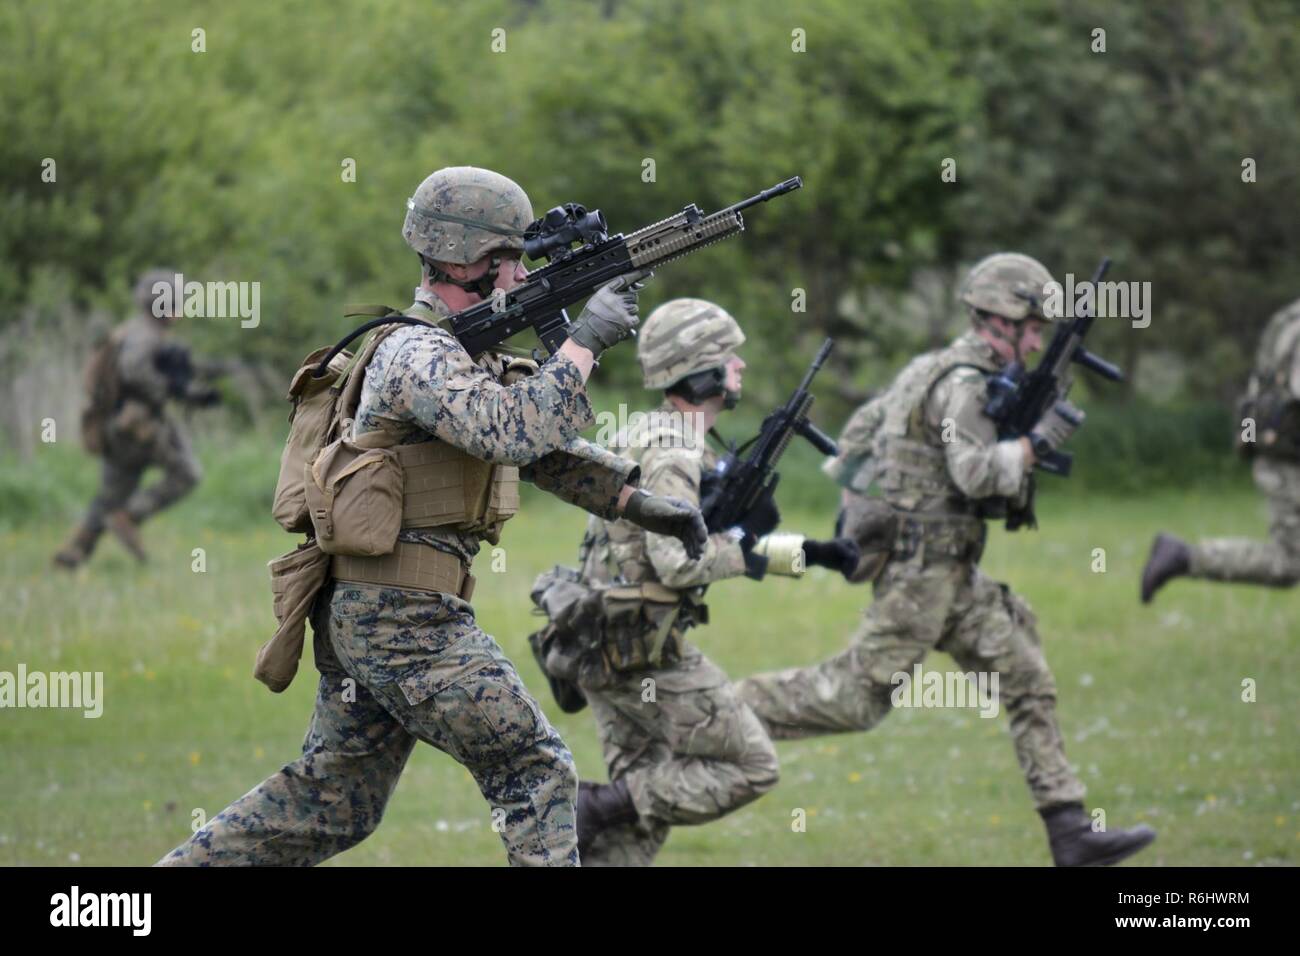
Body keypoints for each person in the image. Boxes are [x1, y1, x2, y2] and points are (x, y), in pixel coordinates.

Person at [158, 166, 706, 867]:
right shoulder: (417, 353)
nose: (518, 271)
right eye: (509, 256)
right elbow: (507, 431)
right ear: (464, 259)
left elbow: (544, 451)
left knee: (333, 800)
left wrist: (643, 504)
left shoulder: (453, 352)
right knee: (535, 771)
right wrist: (583, 343)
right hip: (403, 617)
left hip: (379, 611)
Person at [737, 253, 1157, 866]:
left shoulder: (928, 369)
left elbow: (853, 444)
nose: (1037, 340)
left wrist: (866, 513)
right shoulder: (964, 384)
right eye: (1032, 327)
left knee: (1026, 673)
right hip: (918, 578)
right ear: (999, 320)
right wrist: (1035, 447)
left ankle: (1070, 832)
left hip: (950, 573)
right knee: (855, 699)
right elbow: (978, 473)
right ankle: (718, 712)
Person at [566, 297, 859, 865]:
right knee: (750, 765)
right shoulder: (676, 450)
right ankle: (592, 804)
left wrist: (815, 554)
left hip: (605, 644)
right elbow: (679, 562)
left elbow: (707, 541)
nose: (741, 367)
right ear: (700, 371)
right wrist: (742, 548)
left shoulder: (653, 431)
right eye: (729, 357)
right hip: (640, 651)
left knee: (636, 828)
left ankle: (604, 809)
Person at [54, 270, 216, 568]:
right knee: (186, 473)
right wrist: (171, 389)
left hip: (118, 426)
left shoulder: (129, 330)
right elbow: (133, 368)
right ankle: (129, 517)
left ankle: (74, 554)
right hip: (138, 425)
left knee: (112, 493)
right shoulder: (146, 335)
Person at [1142, 298, 1300, 602]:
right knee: (1289, 562)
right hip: (1286, 458)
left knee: (1290, 562)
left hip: (1277, 448)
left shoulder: (1288, 315)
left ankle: (1184, 556)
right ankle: (1184, 557)